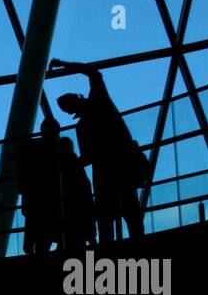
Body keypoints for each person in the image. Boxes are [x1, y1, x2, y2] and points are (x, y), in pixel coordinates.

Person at [53, 59, 149, 243]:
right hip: (122, 167)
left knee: (107, 221)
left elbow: (88, 158)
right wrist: (65, 65)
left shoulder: (82, 127)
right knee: (131, 215)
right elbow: (93, 73)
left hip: (104, 175)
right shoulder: (99, 101)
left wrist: (69, 164)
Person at [17, 116, 67, 255]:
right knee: (44, 241)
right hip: (50, 204)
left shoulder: (29, 148)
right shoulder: (58, 152)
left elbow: (22, 174)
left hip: (33, 203)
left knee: (32, 244)